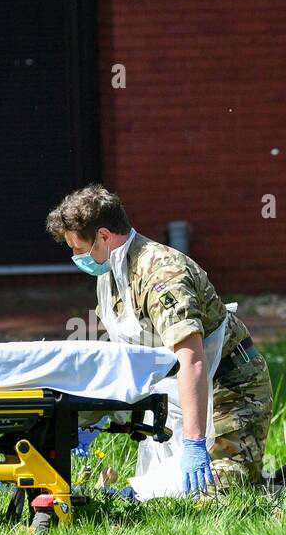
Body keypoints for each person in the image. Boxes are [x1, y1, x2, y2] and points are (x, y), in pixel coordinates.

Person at [45, 185, 272, 496]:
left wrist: (194, 443)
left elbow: (191, 358)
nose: (76, 258)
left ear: (104, 235)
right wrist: (87, 416)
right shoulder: (112, 274)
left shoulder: (162, 275)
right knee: (161, 498)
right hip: (174, 393)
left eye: (80, 249)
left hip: (229, 390)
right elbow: (126, 353)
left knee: (217, 496)